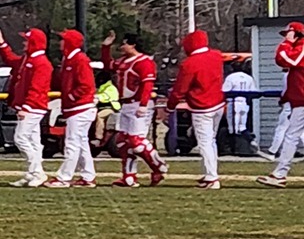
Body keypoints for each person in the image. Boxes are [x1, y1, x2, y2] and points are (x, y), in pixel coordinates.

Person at [102, 31, 166, 187]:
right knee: (122, 141)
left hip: (138, 104)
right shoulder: (124, 61)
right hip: (125, 104)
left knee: (136, 141)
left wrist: (143, 105)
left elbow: (147, 84)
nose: (122, 47)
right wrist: (106, 46)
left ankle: (158, 166)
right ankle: (129, 175)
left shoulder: (144, 62)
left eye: (124, 44)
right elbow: (107, 64)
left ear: (133, 45)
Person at [167, 29, 226, 190]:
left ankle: (212, 177)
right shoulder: (216, 55)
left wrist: (171, 105)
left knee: (205, 142)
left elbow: (180, 89)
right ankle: (210, 172)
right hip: (218, 102)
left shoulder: (190, 63)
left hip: (202, 106)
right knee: (211, 141)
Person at [0, 27, 54, 188]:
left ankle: (37, 172)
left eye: (27, 40)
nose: (23, 43)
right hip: (30, 106)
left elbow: (37, 88)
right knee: (33, 141)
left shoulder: (41, 63)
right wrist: (2, 45)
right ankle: (33, 172)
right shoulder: (28, 59)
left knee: (20, 138)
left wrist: (26, 107)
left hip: (34, 107)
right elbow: (11, 60)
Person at [45, 29, 98, 187]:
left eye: (63, 39)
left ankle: (64, 177)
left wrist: (71, 97)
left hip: (81, 107)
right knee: (81, 142)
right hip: (75, 108)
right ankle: (88, 176)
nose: (60, 42)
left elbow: (86, 85)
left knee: (72, 143)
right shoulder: (68, 59)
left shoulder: (79, 59)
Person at [260, 22, 304, 187]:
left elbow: (285, 59)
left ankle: (280, 174)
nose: (286, 36)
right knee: (292, 135)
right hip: (299, 99)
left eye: (289, 33)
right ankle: (279, 173)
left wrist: (286, 43)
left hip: (302, 100)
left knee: (291, 136)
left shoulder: (301, 48)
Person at [223, 60, 258, 155]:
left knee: (232, 128)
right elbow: (253, 92)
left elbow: (225, 91)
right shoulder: (248, 77)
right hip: (244, 103)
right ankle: (250, 141)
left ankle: (234, 148)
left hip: (233, 103)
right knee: (242, 126)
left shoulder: (230, 77)